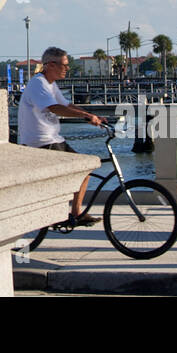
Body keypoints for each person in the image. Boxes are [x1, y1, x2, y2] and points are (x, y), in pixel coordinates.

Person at [17, 46, 108, 225]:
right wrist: (85, 116)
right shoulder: (38, 83)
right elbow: (55, 108)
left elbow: (66, 105)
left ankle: (75, 213)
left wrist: (93, 116)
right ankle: (58, 215)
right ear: (50, 65)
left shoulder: (51, 85)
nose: (67, 69)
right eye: (64, 65)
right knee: (73, 173)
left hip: (54, 139)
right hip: (42, 142)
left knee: (85, 169)